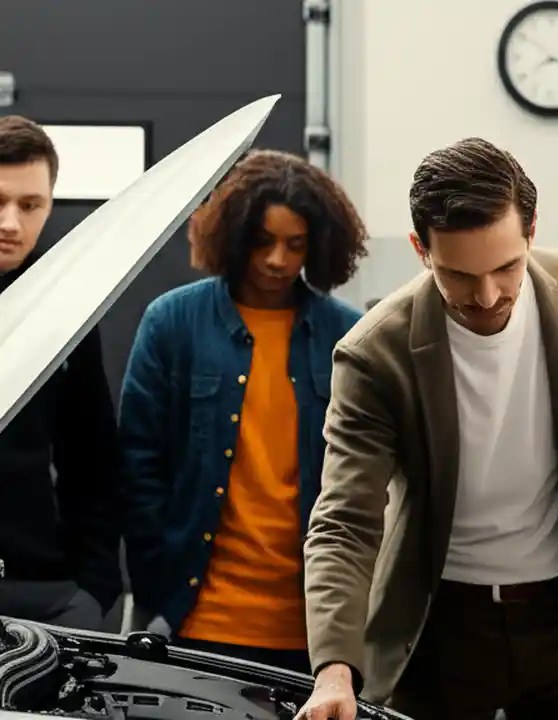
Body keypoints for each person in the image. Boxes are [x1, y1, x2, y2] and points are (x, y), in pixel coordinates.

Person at [297, 137, 558, 720]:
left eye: (507, 268)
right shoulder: (373, 353)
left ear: (531, 231)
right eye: (458, 275)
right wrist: (334, 671)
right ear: (420, 249)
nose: (487, 297)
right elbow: (345, 521)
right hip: (440, 624)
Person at [118, 149, 367, 673]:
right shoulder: (172, 323)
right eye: (263, 242)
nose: (278, 260)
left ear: (318, 246)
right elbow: (138, 465)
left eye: (295, 245)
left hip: (312, 631)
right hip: (194, 620)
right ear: (233, 235)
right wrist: (156, 588)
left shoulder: (346, 335)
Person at [0, 115, 124, 632]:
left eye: (30, 206)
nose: (11, 222)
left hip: (43, 592)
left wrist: (91, 589)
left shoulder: (65, 310)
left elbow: (92, 458)